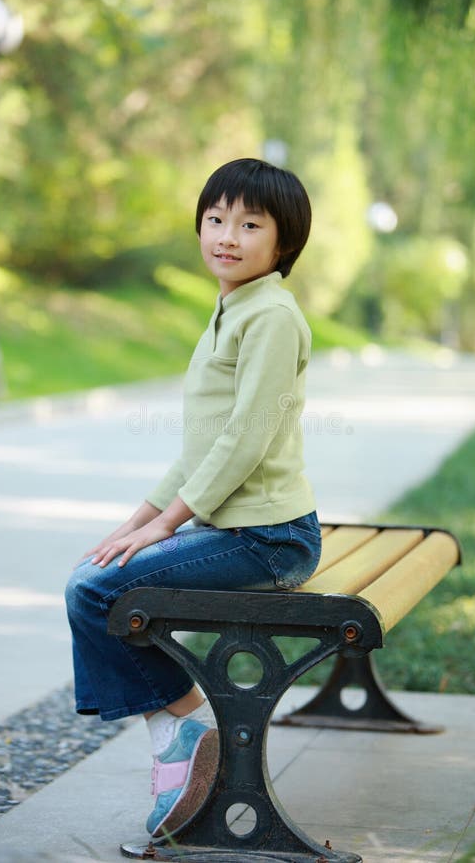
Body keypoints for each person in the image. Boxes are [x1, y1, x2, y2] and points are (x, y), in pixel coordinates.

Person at [65, 157, 321, 839]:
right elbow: (198, 446)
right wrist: (136, 523)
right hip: (246, 533)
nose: (226, 235)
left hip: (270, 539)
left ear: (283, 242)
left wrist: (170, 525)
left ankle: (183, 727)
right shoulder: (234, 307)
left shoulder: (270, 316)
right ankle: (179, 734)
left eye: (249, 223)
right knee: (97, 574)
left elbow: (244, 439)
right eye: (214, 219)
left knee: (95, 592)